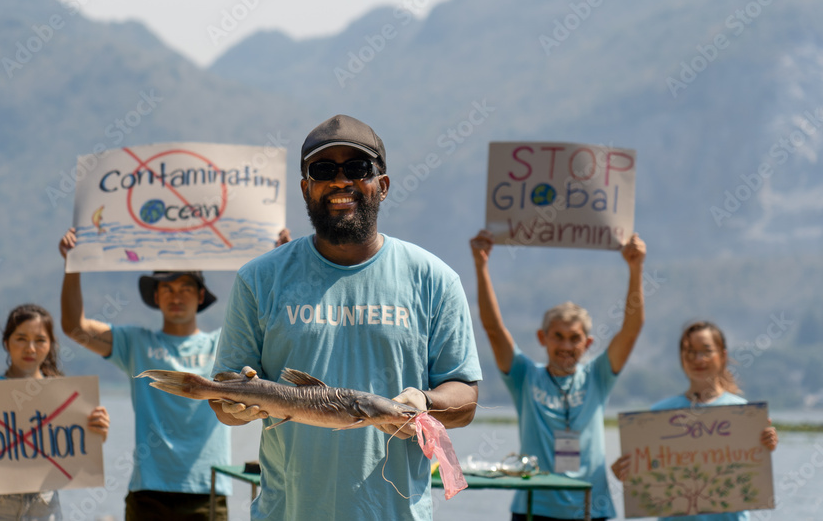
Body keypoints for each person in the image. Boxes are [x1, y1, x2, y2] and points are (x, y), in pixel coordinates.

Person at [211, 114, 482, 521]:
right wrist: (233, 405)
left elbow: (465, 399)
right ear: (306, 189)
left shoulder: (434, 279)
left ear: (383, 185)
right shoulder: (259, 279)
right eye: (323, 171)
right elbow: (224, 393)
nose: (341, 182)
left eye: (357, 169)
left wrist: (424, 402)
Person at [469, 228, 647, 521]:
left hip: (592, 506)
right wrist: (481, 264)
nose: (566, 345)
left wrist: (636, 267)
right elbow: (493, 329)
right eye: (558, 336)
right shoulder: (524, 376)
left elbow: (631, 331)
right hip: (534, 508)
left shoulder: (597, 376)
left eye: (574, 338)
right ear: (543, 337)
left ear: (587, 343)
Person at [58, 229, 232, 521]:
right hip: (148, 492)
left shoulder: (222, 345)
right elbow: (75, 327)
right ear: (156, 296)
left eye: (185, 288)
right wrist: (72, 264)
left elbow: (274, 328)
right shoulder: (137, 344)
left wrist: (283, 260)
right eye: (167, 288)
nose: (176, 296)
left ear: (200, 295)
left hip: (207, 489)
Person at [0, 303, 110, 521]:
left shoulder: (65, 398)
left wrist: (97, 435)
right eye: (21, 338)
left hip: (44, 508)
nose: (31, 348)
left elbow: (74, 452)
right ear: (6, 342)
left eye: (40, 340)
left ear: (50, 345)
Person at [610, 320, 779, 521]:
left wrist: (768, 442)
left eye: (706, 351)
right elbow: (646, 480)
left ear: (723, 356)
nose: (698, 359)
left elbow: (753, 476)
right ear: (682, 358)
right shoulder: (657, 415)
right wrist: (625, 472)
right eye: (690, 352)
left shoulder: (744, 413)